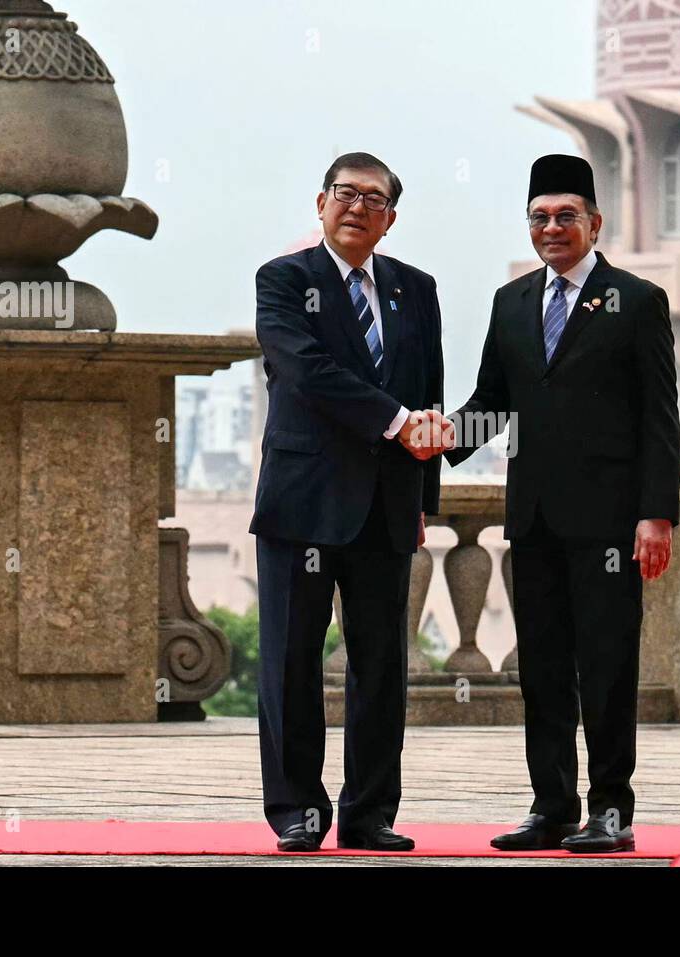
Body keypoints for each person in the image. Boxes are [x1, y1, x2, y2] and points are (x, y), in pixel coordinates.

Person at [446, 154, 680, 853]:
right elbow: (492, 407)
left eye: (566, 216)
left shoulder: (636, 301)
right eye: (540, 217)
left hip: (611, 523)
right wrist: (427, 438)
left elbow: (658, 418)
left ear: (594, 222)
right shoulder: (511, 302)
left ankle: (611, 809)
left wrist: (656, 513)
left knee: (607, 667)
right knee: (542, 669)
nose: (552, 228)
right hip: (534, 520)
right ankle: (551, 806)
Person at [252, 151, 453, 852]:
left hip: (386, 506)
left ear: (390, 219)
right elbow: (306, 371)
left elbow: (427, 386)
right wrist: (398, 422)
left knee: (381, 668)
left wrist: (423, 494)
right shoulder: (284, 280)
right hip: (301, 503)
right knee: (291, 660)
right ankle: (298, 809)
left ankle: (370, 812)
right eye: (346, 193)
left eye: (374, 199)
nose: (357, 207)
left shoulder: (415, 289)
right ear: (320, 203)